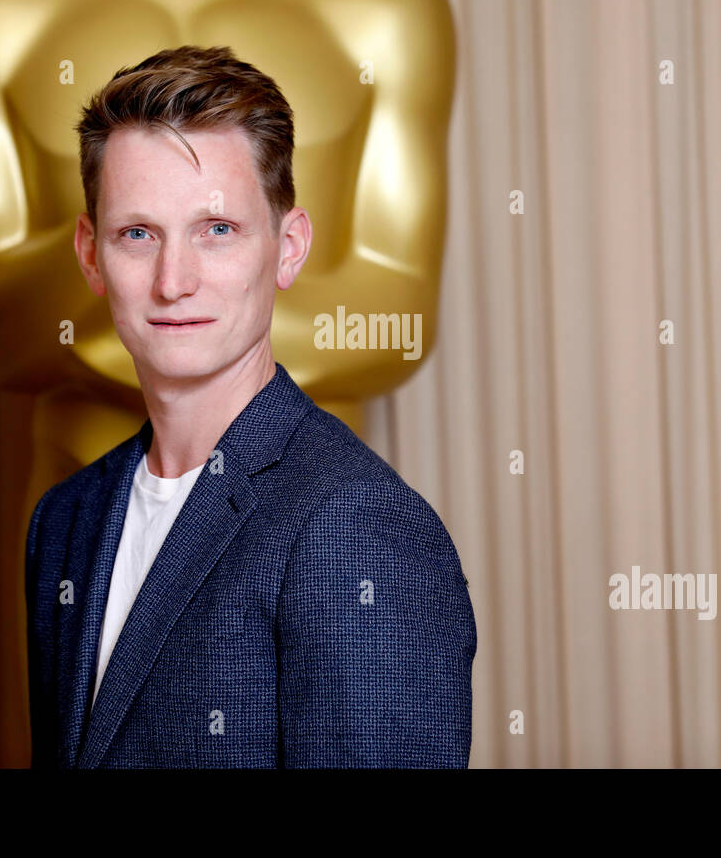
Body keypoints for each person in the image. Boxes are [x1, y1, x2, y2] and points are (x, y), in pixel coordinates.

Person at [25, 45, 476, 767]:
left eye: (218, 231)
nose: (175, 281)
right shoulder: (66, 520)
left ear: (289, 247)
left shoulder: (353, 526)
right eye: (138, 234)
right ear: (91, 254)